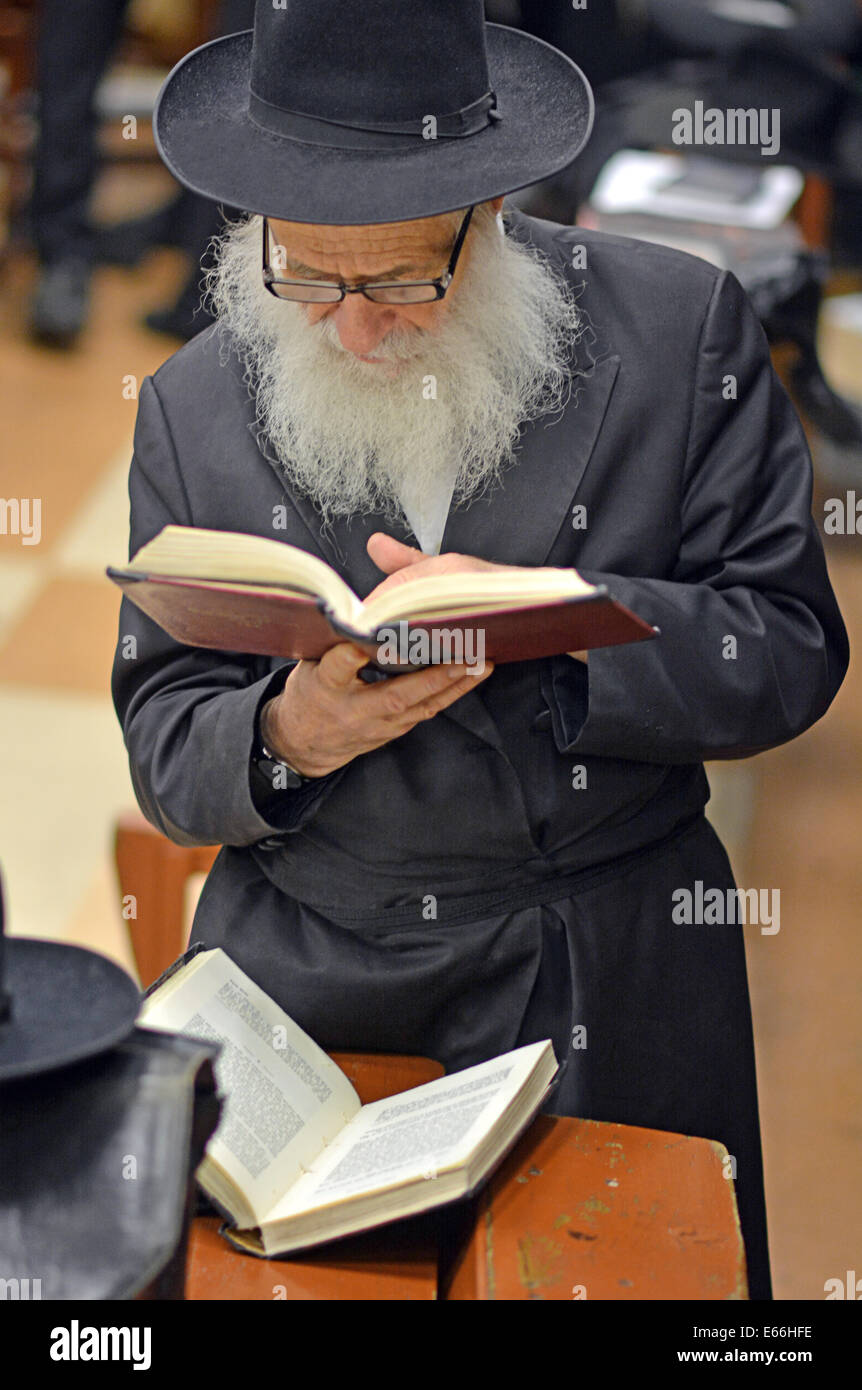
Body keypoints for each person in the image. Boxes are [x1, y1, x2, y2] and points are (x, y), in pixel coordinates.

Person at [112, 0, 849, 1301]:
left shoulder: (680, 334)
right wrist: (289, 733)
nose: (352, 324)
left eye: (401, 278)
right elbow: (170, 747)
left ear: (493, 213)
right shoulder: (190, 402)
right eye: (309, 273)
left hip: (604, 957)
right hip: (311, 976)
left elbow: (786, 645)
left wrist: (565, 620)